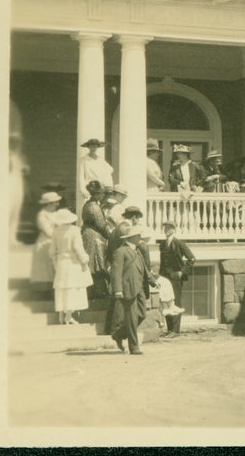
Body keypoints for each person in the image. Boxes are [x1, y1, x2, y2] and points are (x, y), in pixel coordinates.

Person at [109, 225, 148, 355]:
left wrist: (153, 281)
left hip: (140, 287)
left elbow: (144, 269)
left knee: (142, 314)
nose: (140, 238)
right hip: (128, 289)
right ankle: (134, 347)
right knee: (131, 318)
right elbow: (116, 273)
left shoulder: (137, 251)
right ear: (133, 237)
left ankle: (119, 334)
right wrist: (118, 290)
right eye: (138, 236)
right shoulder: (121, 251)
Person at [50, 207, 92, 324]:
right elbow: (78, 247)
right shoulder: (74, 230)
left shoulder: (56, 231)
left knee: (62, 288)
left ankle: (61, 315)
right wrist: (84, 259)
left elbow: (52, 251)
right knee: (72, 289)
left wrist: (55, 263)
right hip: (73, 263)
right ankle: (68, 316)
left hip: (61, 263)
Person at [158, 220, 195, 337]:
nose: (165, 230)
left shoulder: (179, 243)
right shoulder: (162, 244)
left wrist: (182, 272)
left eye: (168, 228)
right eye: (164, 228)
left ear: (173, 229)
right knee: (167, 301)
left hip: (175, 277)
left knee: (176, 302)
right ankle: (169, 329)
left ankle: (175, 330)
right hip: (165, 277)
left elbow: (192, 259)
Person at [79, 181, 114, 299]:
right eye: (101, 193)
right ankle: (95, 292)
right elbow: (101, 224)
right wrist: (110, 236)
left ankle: (93, 291)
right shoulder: (94, 207)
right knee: (96, 264)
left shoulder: (88, 204)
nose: (103, 196)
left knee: (94, 264)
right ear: (96, 194)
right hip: (93, 236)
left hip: (88, 234)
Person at [30, 191, 61, 291]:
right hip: (45, 243)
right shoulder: (42, 215)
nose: (58, 204)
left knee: (53, 268)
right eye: (55, 202)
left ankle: (52, 290)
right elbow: (48, 231)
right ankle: (43, 292)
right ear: (49, 203)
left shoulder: (55, 213)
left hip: (55, 242)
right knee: (45, 269)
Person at [77, 138, 115, 208]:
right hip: (90, 186)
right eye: (91, 146)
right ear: (88, 147)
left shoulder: (100, 159)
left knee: (101, 206)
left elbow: (110, 169)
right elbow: (81, 175)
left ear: (97, 147)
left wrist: (105, 180)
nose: (93, 148)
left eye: (95, 146)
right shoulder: (84, 160)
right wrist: (83, 188)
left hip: (100, 186)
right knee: (91, 206)